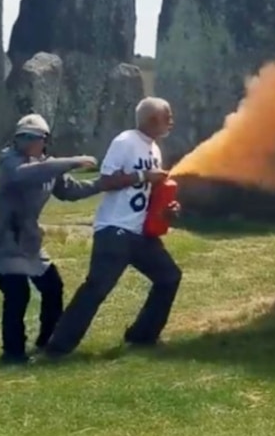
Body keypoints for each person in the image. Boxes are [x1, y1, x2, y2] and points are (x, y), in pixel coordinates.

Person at [0, 114, 140, 365]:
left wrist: (106, 184)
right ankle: (13, 352)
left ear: (44, 141)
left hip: (28, 242)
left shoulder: (48, 165)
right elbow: (24, 174)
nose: (27, 141)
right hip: (3, 241)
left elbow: (70, 191)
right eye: (23, 137)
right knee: (17, 295)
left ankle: (47, 342)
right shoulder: (9, 160)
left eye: (33, 137)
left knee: (53, 287)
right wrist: (72, 161)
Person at [41, 97, 184, 359]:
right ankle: (57, 348)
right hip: (115, 231)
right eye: (168, 116)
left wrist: (167, 208)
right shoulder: (125, 142)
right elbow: (106, 180)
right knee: (96, 288)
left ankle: (142, 336)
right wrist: (143, 176)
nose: (172, 121)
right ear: (152, 120)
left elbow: (148, 192)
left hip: (140, 233)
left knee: (169, 277)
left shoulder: (154, 149)